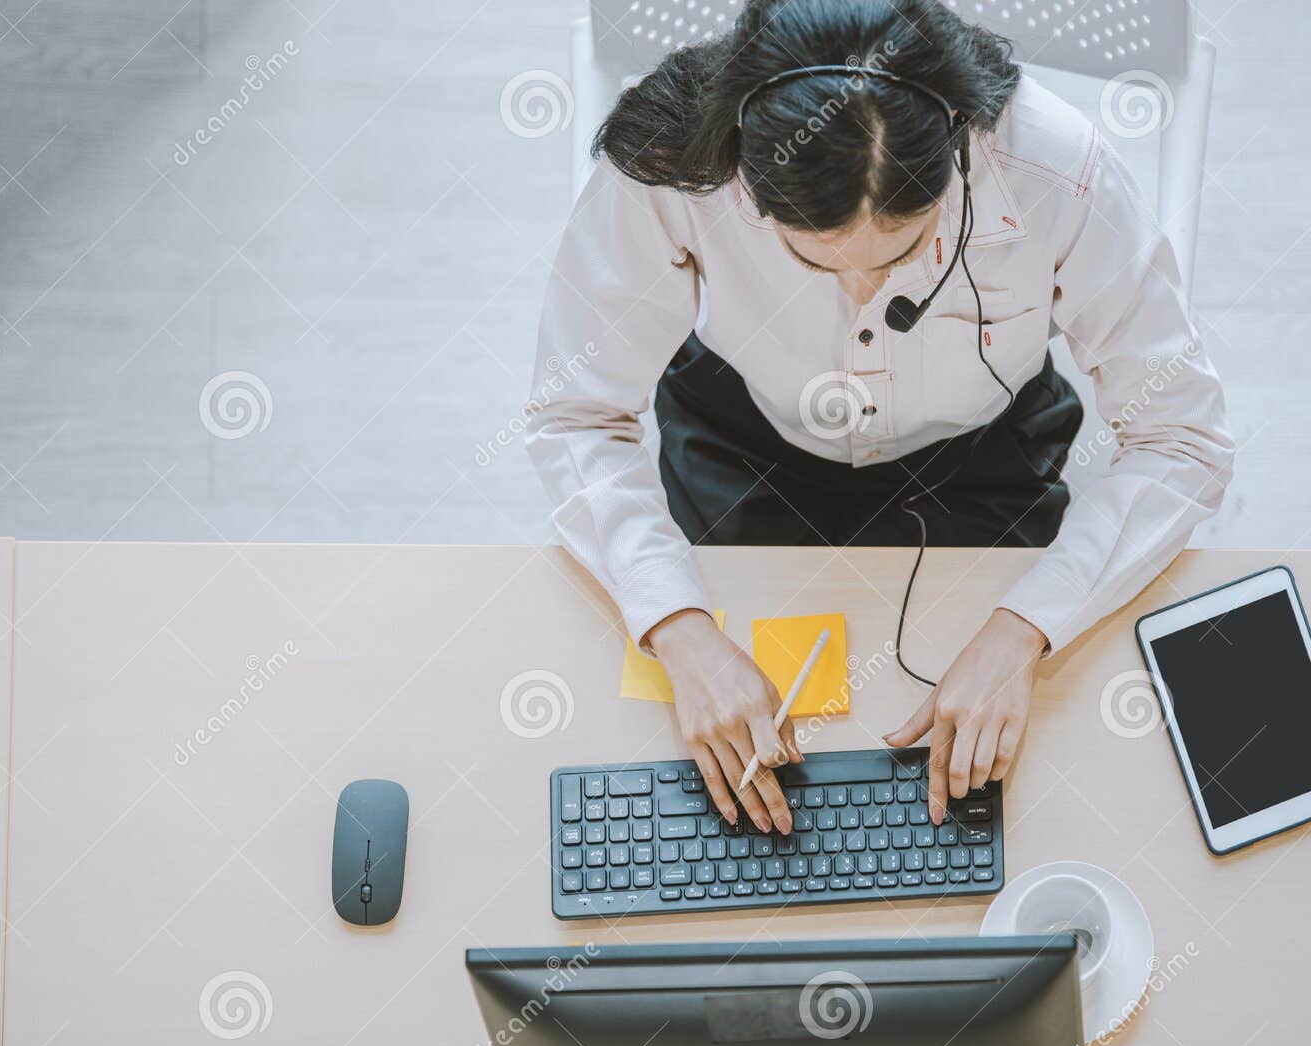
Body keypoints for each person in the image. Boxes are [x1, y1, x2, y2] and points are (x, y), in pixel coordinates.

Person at [524, 0, 1232, 837]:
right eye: (808, 257)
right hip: (746, 445)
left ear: (962, 149)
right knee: (723, 772)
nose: (864, 293)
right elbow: (576, 416)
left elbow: (1182, 438)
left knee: (1013, 781)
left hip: (979, 458)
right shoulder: (675, 165)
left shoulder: (1058, 169)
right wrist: (676, 628)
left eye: (901, 253)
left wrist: (1024, 630)